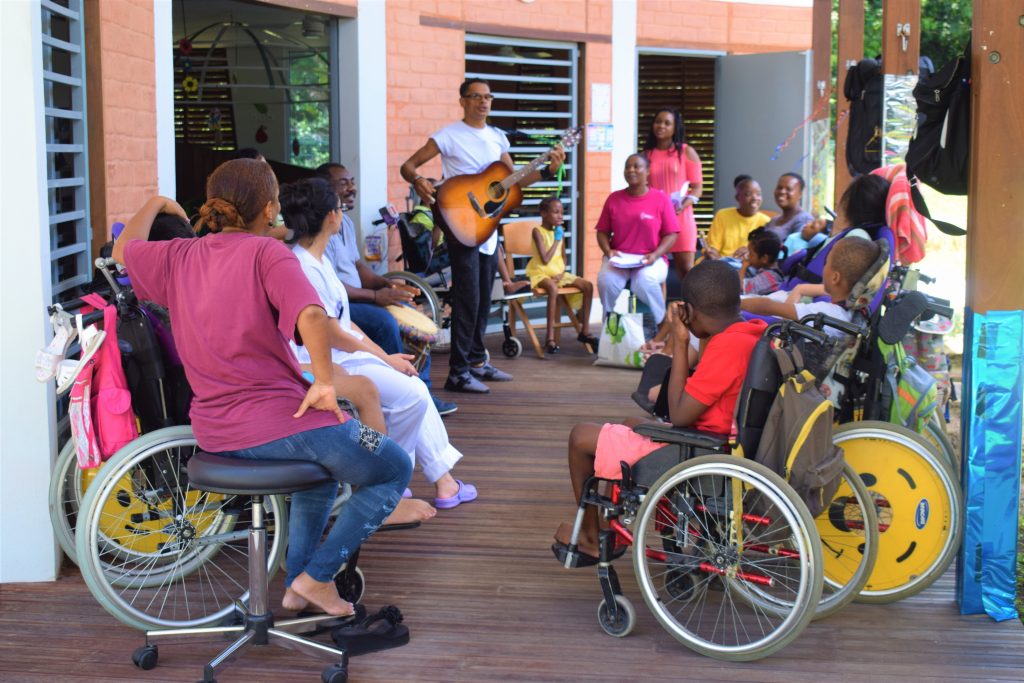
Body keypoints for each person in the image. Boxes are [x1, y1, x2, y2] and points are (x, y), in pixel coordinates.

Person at [112, 159, 411, 618]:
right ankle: (318, 576)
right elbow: (312, 316)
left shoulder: (177, 256)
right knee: (393, 465)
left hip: (214, 433)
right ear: (270, 209)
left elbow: (122, 249)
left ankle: (296, 587)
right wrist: (326, 383)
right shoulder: (266, 254)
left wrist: (156, 202)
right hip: (282, 424)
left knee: (325, 474)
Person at [280, 177, 478, 510]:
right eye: (340, 208)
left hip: (343, 353)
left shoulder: (319, 260)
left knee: (411, 387)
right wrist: (385, 358)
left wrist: (384, 355)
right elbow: (331, 332)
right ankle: (393, 479)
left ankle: (435, 481)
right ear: (331, 216)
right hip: (324, 360)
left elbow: (344, 321)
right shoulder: (304, 266)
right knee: (412, 394)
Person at [553, 261, 767, 562]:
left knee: (581, 437)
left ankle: (589, 538)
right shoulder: (751, 333)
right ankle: (603, 522)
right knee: (630, 423)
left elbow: (679, 415)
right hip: (719, 439)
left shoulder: (725, 349)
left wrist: (680, 343)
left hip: (699, 448)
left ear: (691, 311)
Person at [400, 77, 565, 394]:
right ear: (462, 101)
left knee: (483, 299)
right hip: (461, 224)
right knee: (468, 299)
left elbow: (513, 181)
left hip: (488, 227)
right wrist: (419, 179)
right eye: (476, 96)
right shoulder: (448, 136)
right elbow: (409, 165)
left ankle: (477, 360)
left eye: (488, 96)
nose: (483, 102)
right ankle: (457, 372)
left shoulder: (497, 138)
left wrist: (546, 169)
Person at [317, 162, 457, 416]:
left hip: (373, 433)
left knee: (412, 315)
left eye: (352, 181)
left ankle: (419, 387)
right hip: (342, 306)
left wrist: (386, 285)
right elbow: (331, 289)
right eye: (344, 183)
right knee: (384, 322)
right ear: (326, 190)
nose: (352, 188)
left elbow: (358, 268)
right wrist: (375, 296)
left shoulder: (344, 223)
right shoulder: (317, 236)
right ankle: (405, 385)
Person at [595, 154, 678, 331]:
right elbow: (602, 231)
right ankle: (610, 328)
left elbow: (671, 234)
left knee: (643, 281)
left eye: (636, 166)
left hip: (651, 259)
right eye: (627, 167)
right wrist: (608, 251)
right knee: (606, 281)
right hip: (619, 258)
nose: (631, 170)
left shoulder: (661, 199)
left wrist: (655, 255)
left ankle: (662, 323)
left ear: (648, 171)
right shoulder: (614, 199)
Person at [741, 235, 881, 332]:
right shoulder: (850, 300)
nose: (824, 266)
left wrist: (735, 303)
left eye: (827, 263)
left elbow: (767, 306)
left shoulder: (827, 315)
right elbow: (822, 289)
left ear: (835, 278)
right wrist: (800, 289)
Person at [525, 196, 598, 353]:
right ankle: (549, 338)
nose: (560, 216)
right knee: (552, 288)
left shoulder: (559, 232)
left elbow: (563, 257)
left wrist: (561, 272)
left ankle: (584, 331)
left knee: (588, 286)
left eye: (562, 212)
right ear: (544, 213)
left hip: (558, 273)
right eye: (556, 212)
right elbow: (545, 260)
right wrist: (557, 240)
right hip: (540, 272)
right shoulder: (537, 231)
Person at [643, 108, 703, 283]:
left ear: (675, 128)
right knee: (656, 272)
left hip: (681, 217)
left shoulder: (686, 152)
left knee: (686, 269)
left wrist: (681, 205)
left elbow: (698, 187)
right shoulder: (646, 154)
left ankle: (693, 309)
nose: (661, 126)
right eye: (658, 121)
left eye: (667, 123)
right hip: (655, 219)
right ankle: (661, 311)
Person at [704, 176, 769, 262]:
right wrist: (714, 256)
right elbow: (713, 248)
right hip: (721, 262)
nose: (754, 198)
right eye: (748, 194)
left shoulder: (766, 221)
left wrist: (750, 251)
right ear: (737, 198)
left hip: (747, 266)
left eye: (758, 194)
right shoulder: (722, 215)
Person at [764, 173, 815, 242]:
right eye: (779, 187)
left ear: (800, 194)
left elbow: (796, 249)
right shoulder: (774, 220)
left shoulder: (804, 220)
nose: (782, 191)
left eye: (788, 189)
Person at [740, 227, 788, 295]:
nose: (747, 257)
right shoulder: (768, 269)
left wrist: (743, 267)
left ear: (764, 258)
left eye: (751, 254)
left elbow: (739, 287)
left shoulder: (769, 277)